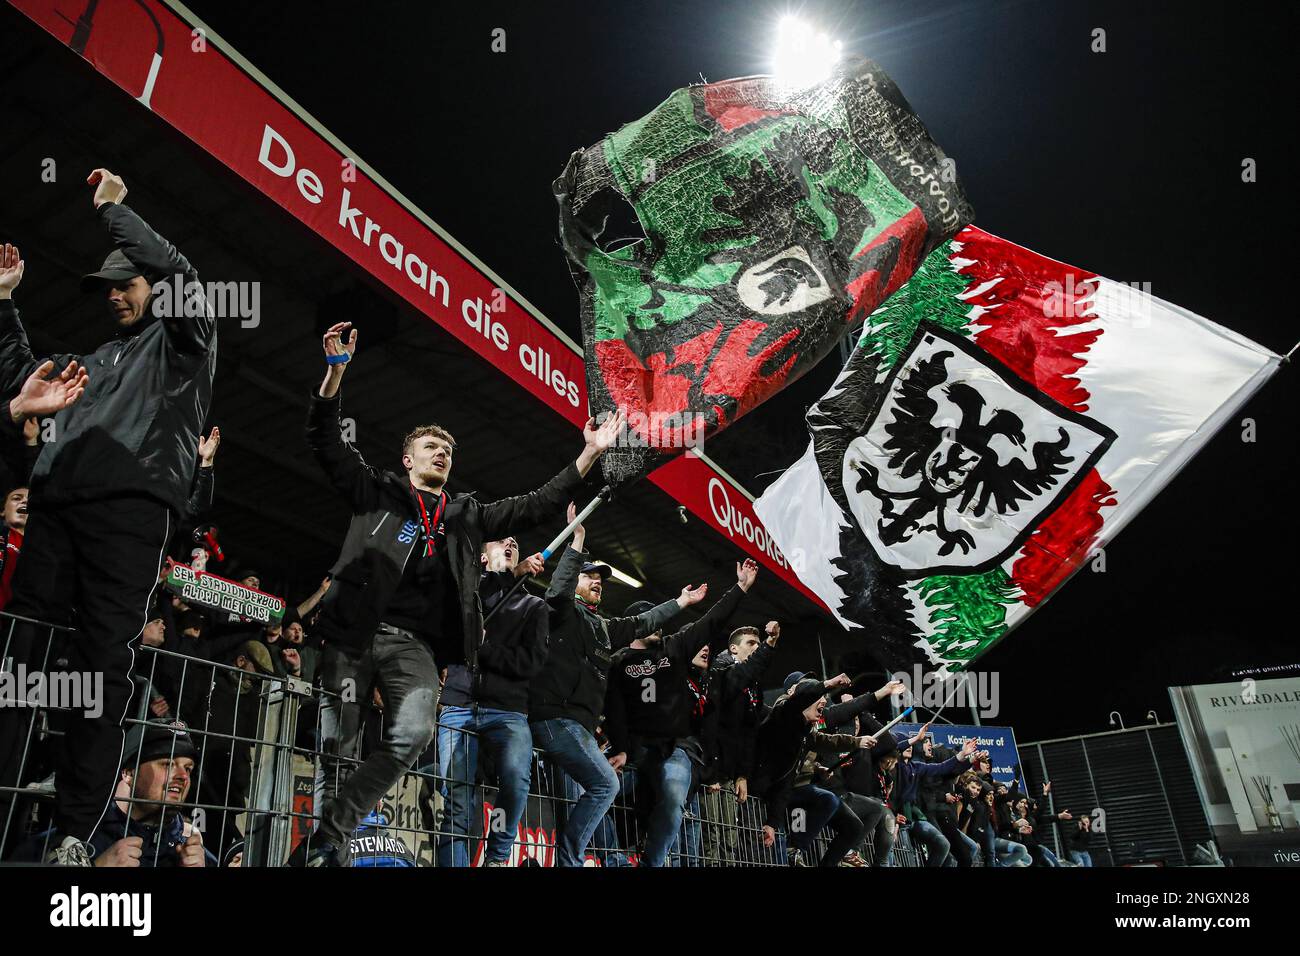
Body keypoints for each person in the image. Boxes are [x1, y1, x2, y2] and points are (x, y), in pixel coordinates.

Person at [297, 322, 621, 866]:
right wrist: (335, 374)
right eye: (431, 446)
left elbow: (537, 503)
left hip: (416, 647)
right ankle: (330, 855)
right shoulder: (375, 489)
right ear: (408, 458)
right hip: (353, 633)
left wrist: (587, 455)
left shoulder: (467, 514)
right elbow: (325, 441)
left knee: (415, 732)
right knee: (337, 751)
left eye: (448, 449)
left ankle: (329, 833)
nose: (442, 453)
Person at [0, 169, 217, 866]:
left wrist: (117, 211)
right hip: (56, 514)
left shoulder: (186, 343)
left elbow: (181, 274)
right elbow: (23, 381)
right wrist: (4, 303)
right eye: (108, 287)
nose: (116, 294)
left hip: (128, 516)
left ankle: (73, 833)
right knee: (18, 658)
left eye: (127, 281)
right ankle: (6, 800)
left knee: (100, 666)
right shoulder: (90, 359)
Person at [529, 503, 695, 867]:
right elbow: (556, 593)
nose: (597, 581)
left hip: (580, 727)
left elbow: (641, 622)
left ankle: (593, 857)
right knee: (606, 785)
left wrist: (680, 602)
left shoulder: (603, 627)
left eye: (600, 578)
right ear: (574, 580)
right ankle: (569, 860)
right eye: (589, 576)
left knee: (591, 790)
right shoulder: (559, 613)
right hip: (555, 718)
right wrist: (577, 543)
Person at [603, 559, 757, 867]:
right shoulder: (618, 661)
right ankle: (613, 858)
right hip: (633, 748)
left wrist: (740, 588)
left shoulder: (673, 648)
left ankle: (653, 863)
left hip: (673, 749)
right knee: (597, 790)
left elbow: (710, 623)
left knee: (674, 800)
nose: (657, 626)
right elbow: (614, 709)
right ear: (637, 623)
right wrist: (618, 747)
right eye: (650, 621)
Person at [437, 537, 548, 867]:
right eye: (501, 541)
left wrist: (485, 650)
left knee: (515, 780)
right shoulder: (465, 593)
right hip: (459, 705)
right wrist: (506, 578)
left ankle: (496, 858)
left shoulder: (534, 607)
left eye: (515, 540)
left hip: (507, 709)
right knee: (456, 799)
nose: (512, 541)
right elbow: (450, 631)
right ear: (483, 559)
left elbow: (531, 662)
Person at [755, 674, 876, 866]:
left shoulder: (807, 729)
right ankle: (794, 849)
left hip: (793, 790)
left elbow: (824, 741)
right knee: (822, 801)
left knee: (854, 825)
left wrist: (857, 742)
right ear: (794, 693)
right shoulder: (781, 714)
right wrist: (828, 684)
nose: (824, 699)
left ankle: (801, 851)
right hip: (780, 793)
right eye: (817, 693)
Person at [702, 620, 779, 864]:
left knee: (729, 836)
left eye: (758, 643)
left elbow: (749, 734)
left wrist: (742, 775)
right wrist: (710, 771)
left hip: (730, 772)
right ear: (734, 649)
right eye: (751, 643)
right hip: (712, 769)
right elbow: (710, 727)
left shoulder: (753, 687)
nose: (756, 647)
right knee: (711, 833)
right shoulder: (722, 673)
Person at [0, 485, 27, 610]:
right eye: (16, 498)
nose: (25, 501)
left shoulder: (48, 550)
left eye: (30, 500)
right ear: (3, 510)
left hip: (16, 625)